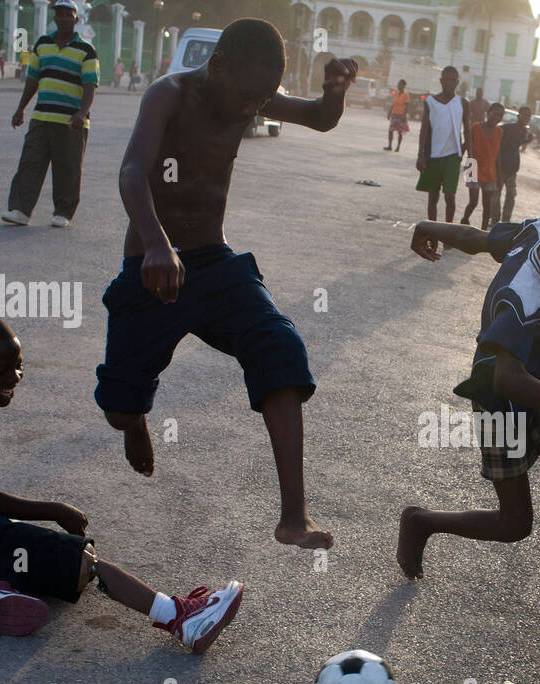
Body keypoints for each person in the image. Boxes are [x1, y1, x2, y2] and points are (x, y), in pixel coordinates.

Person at [97, 18, 353, 552]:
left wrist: (334, 91)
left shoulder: (250, 95)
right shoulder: (168, 95)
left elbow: (319, 119)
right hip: (153, 264)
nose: (248, 110)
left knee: (278, 345)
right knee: (119, 406)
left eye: (258, 101)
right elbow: (131, 173)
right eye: (243, 98)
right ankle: (136, 417)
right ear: (215, 67)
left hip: (213, 261)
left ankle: (293, 515)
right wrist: (155, 242)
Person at [0, 314, 244, 652]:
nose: (14, 376)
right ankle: (180, 617)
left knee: (41, 556)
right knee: (83, 561)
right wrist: (54, 510)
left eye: (18, 365)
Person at [397, 201, 540, 684]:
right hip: (501, 398)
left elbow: (482, 239)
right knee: (514, 525)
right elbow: (508, 377)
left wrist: (428, 227)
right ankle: (422, 522)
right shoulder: (520, 292)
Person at [1, 0, 98, 228]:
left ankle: (63, 211)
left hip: (71, 122)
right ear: (54, 18)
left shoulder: (86, 51)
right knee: (29, 164)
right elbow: (33, 79)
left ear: (76, 19)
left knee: (68, 168)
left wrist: (82, 113)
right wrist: (21, 108)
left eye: (68, 14)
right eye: (60, 14)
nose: (63, 18)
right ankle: (21, 210)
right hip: (42, 117)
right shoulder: (42, 44)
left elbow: (90, 85)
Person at [416, 66, 471, 223]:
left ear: (457, 82)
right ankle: (433, 231)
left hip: (453, 156)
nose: (449, 83)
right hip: (433, 156)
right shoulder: (430, 102)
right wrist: (420, 154)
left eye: (452, 80)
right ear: (441, 81)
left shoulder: (463, 103)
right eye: (446, 79)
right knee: (433, 197)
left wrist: (470, 157)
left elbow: (467, 130)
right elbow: (424, 129)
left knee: (450, 196)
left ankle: (448, 231)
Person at [461, 102, 504, 229]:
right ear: (488, 113)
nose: (496, 118)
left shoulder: (499, 132)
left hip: (490, 171)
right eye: (494, 114)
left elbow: (498, 155)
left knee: (487, 205)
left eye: (500, 116)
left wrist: (499, 176)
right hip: (473, 167)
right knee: (473, 201)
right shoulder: (475, 127)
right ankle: (465, 218)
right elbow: (466, 145)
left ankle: (484, 231)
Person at [496, 106, 532, 222]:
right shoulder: (508, 128)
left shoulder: (524, 132)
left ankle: (505, 220)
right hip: (501, 166)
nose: (525, 118)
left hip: (512, 168)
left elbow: (518, 143)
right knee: (497, 195)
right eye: (524, 115)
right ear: (518, 116)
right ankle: (495, 219)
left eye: (528, 116)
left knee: (510, 195)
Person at [384, 79, 410, 151]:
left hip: (401, 115)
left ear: (404, 86)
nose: (398, 86)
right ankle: (390, 146)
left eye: (400, 84)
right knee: (390, 130)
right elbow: (393, 104)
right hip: (394, 114)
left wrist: (405, 115)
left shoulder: (406, 95)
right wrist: (389, 113)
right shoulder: (396, 94)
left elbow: (407, 106)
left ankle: (398, 147)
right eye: (398, 84)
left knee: (400, 132)